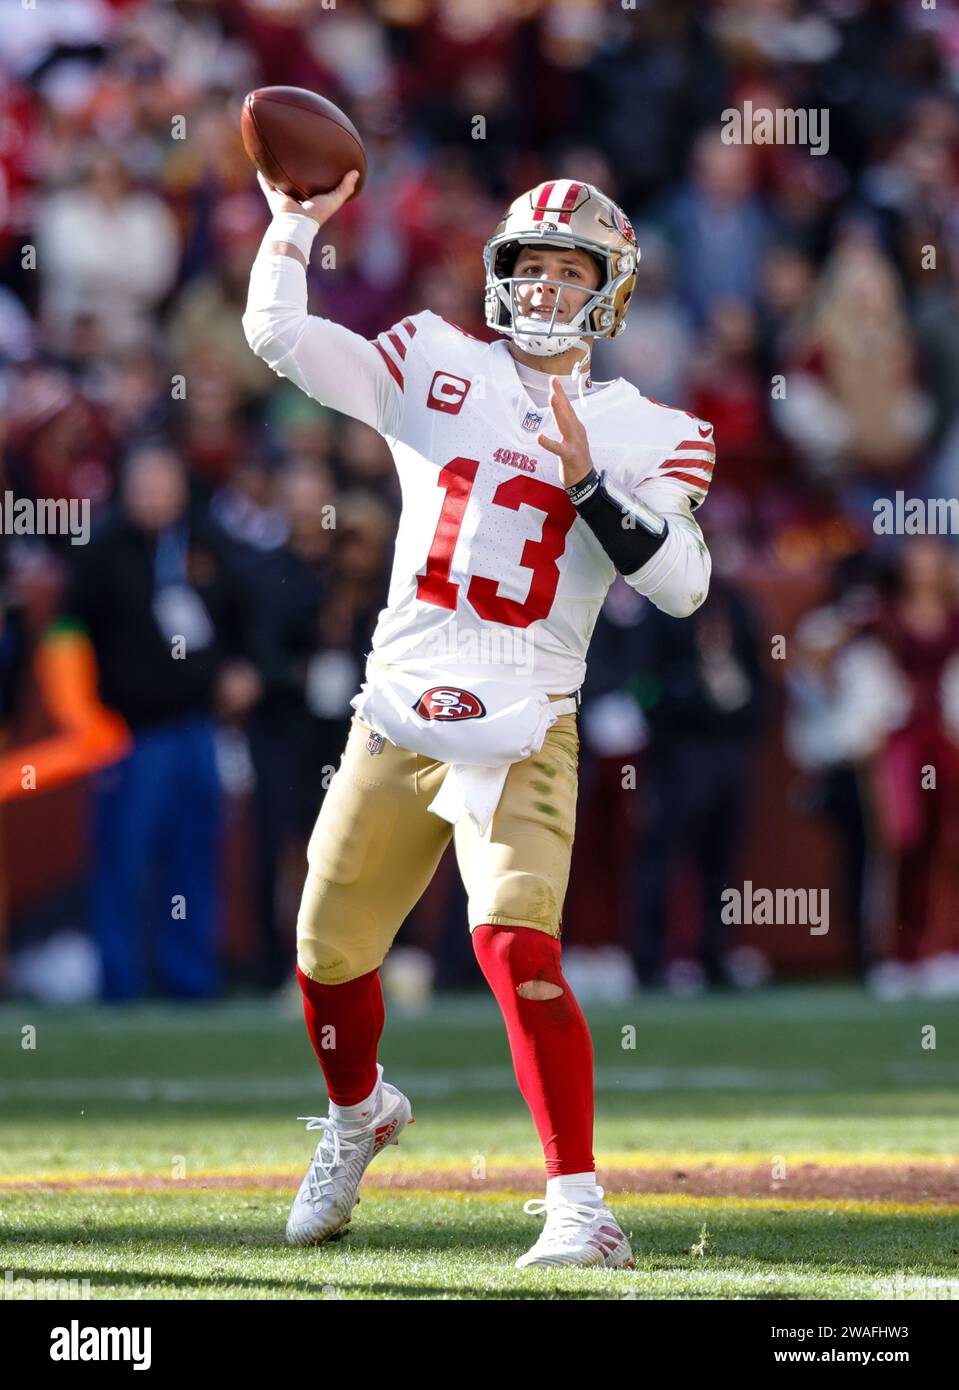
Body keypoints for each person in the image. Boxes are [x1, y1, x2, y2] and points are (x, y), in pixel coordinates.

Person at [243, 170, 714, 1269]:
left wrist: (590, 481)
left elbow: (684, 584)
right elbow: (277, 336)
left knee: (512, 944)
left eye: (569, 269)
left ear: (609, 292)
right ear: (497, 277)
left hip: (525, 714)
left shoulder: (650, 429)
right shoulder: (432, 359)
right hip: (399, 703)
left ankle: (577, 1204)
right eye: (529, 265)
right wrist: (295, 219)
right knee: (324, 952)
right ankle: (359, 1115)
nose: (545, 287)